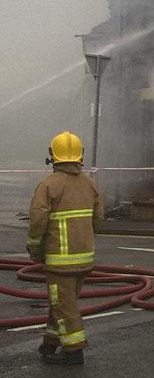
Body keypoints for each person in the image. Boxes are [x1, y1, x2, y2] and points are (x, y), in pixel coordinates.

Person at [26, 131, 103, 366]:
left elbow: (38, 221)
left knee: (63, 303)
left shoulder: (49, 185)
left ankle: (74, 350)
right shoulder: (90, 183)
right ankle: (51, 341)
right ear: (80, 156)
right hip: (84, 259)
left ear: (53, 156)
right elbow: (98, 219)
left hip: (60, 260)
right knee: (61, 301)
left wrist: (34, 247)